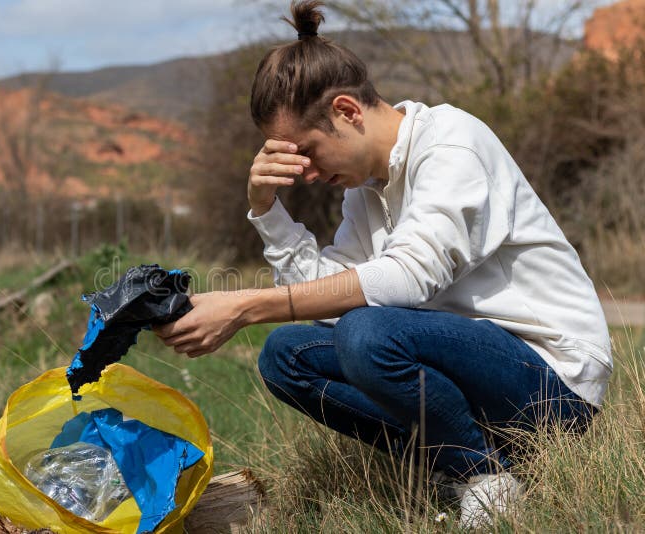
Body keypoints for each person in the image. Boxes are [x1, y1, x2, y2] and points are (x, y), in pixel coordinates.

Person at [153, 0, 612, 527]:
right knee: (285, 355)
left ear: (347, 111)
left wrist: (246, 305)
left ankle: (486, 479)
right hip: (476, 374)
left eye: (308, 150)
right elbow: (327, 303)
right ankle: (462, 461)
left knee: (368, 334)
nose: (305, 172)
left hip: (554, 386)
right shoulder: (368, 191)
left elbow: (408, 277)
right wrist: (266, 210)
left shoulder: (452, 144)